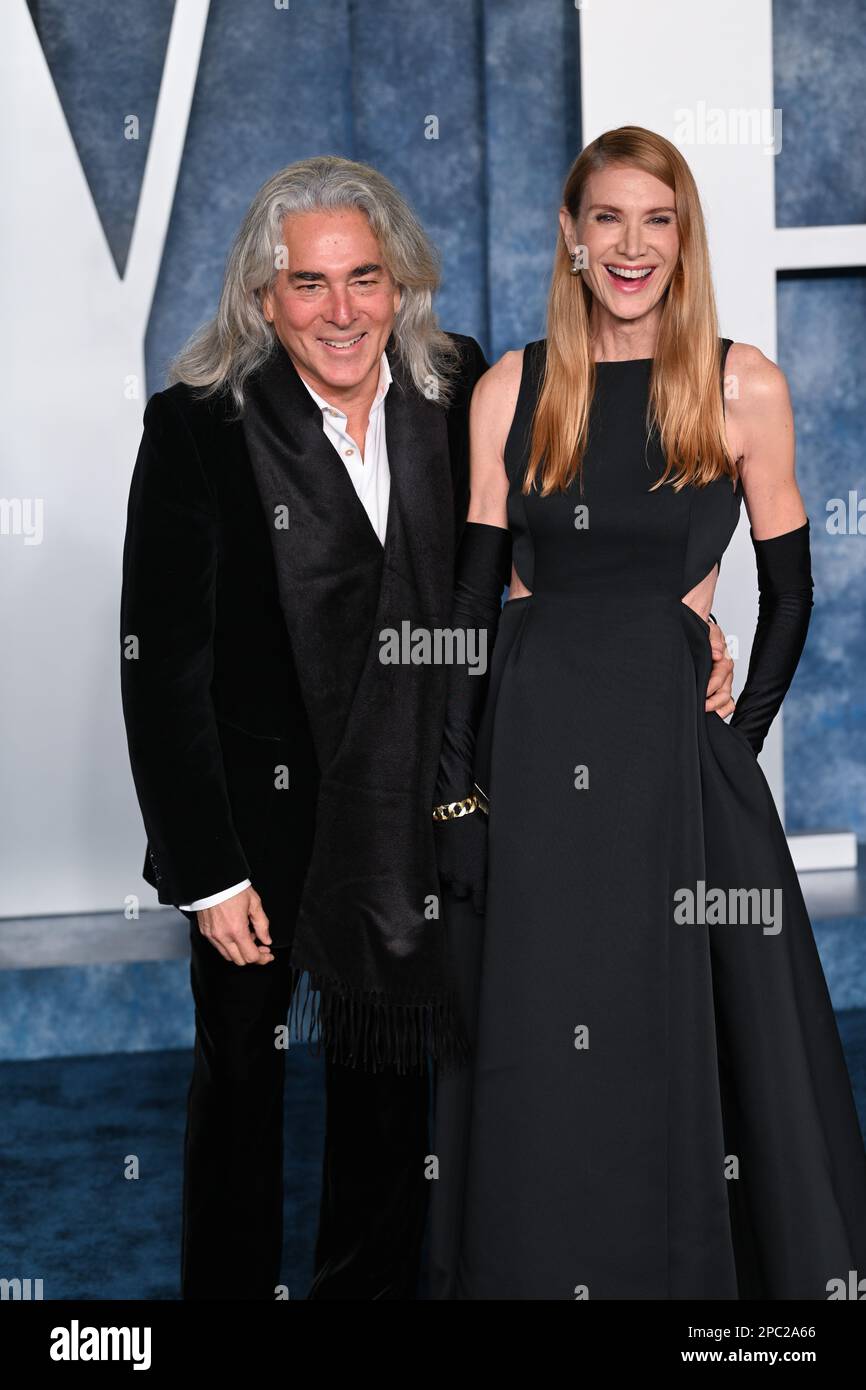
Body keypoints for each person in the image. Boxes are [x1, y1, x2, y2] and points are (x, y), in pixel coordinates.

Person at [429, 125, 866, 1300]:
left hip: (672, 758)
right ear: (571, 238)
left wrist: (729, 744)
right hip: (531, 753)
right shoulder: (513, 387)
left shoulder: (739, 382)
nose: (630, 245)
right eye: (607, 219)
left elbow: (789, 590)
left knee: (707, 1045)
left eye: (656, 220)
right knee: (543, 1036)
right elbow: (471, 600)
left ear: (683, 240)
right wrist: (456, 784)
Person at [120, 156, 488, 1299]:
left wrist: (683, 624)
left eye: (364, 279)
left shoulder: (457, 390)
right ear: (263, 299)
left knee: (389, 1087)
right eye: (310, 285)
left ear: (400, 282)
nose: (342, 312)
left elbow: (518, 573)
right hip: (257, 829)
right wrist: (208, 870)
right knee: (243, 1085)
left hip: (405, 810)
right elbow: (159, 667)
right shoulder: (200, 427)